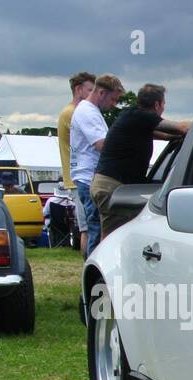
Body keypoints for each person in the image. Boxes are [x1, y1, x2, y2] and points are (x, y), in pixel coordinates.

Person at [91, 84, 190, 238]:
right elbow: (183, 128)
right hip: (113, 186)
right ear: (157, 104)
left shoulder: (133, 117)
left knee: (116, 234)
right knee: (112, 237)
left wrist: (173, 138)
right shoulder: (142, 117)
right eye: (163, 104)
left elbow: (160, 134)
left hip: (108, 183)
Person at [70, 73, 124, 254]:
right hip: (89, 178)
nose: (113, 104)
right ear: (101, 92)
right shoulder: (87, 112)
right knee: (96, 228)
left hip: (88, 177)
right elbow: (102, 144)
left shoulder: (90, 111)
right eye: (113, 99)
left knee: (96, 227)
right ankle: (94, 272)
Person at [56, 71, 94, 214]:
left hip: (78, 179)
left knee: (87, 227)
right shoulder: (73, 113)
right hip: (80, 179)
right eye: (90, 90)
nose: (93, 94)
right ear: (78, 90)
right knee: (88, 227)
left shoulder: (71, 111)